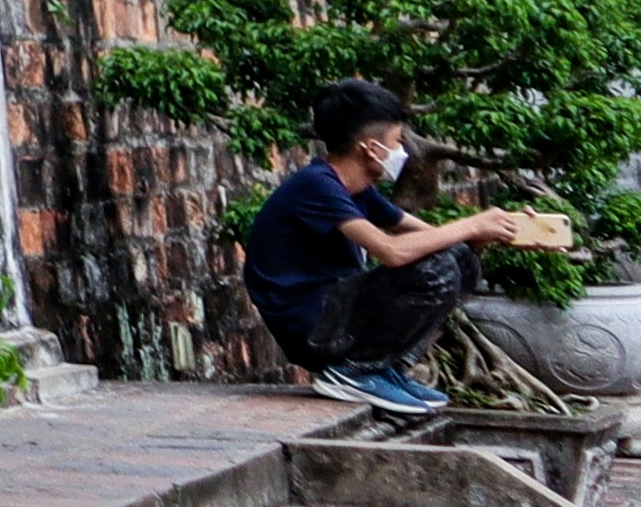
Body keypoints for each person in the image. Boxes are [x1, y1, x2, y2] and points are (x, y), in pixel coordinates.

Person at [244, 79, 571, 416]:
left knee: (460, 259)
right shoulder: (316, 186)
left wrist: (499, 234)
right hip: (311, 328)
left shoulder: (357, 190)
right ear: (371, 148)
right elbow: (391, 251)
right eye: (398, 141)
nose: (403, 151)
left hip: (335, 316)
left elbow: (436, 237)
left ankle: (383, 367)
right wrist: (472, 224)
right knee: (437, 266)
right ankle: (354, 371)